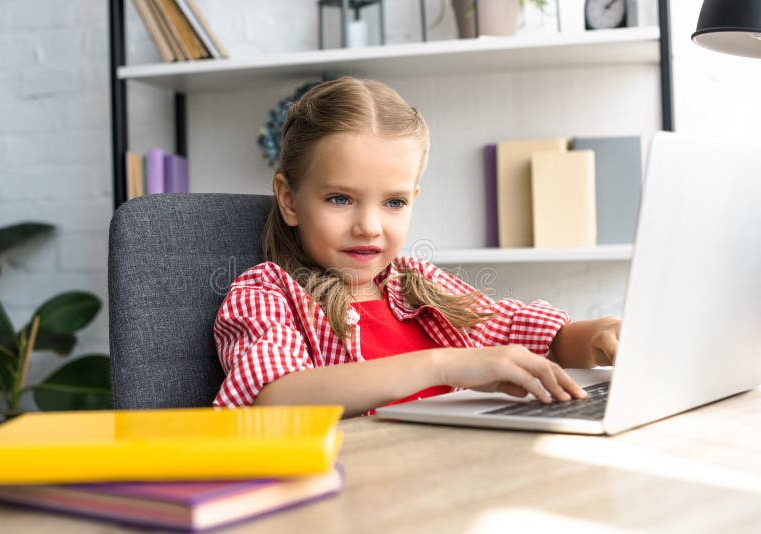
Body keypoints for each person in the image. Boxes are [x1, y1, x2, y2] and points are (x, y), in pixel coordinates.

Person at [213, 76, 620, 417]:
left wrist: (596, 336)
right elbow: (273, 399)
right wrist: (443, 365)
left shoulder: (414, 281)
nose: (369, 227)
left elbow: (526, 334)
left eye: (394, 202)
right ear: (289, 200)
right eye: (340, 199)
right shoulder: (267, 292)